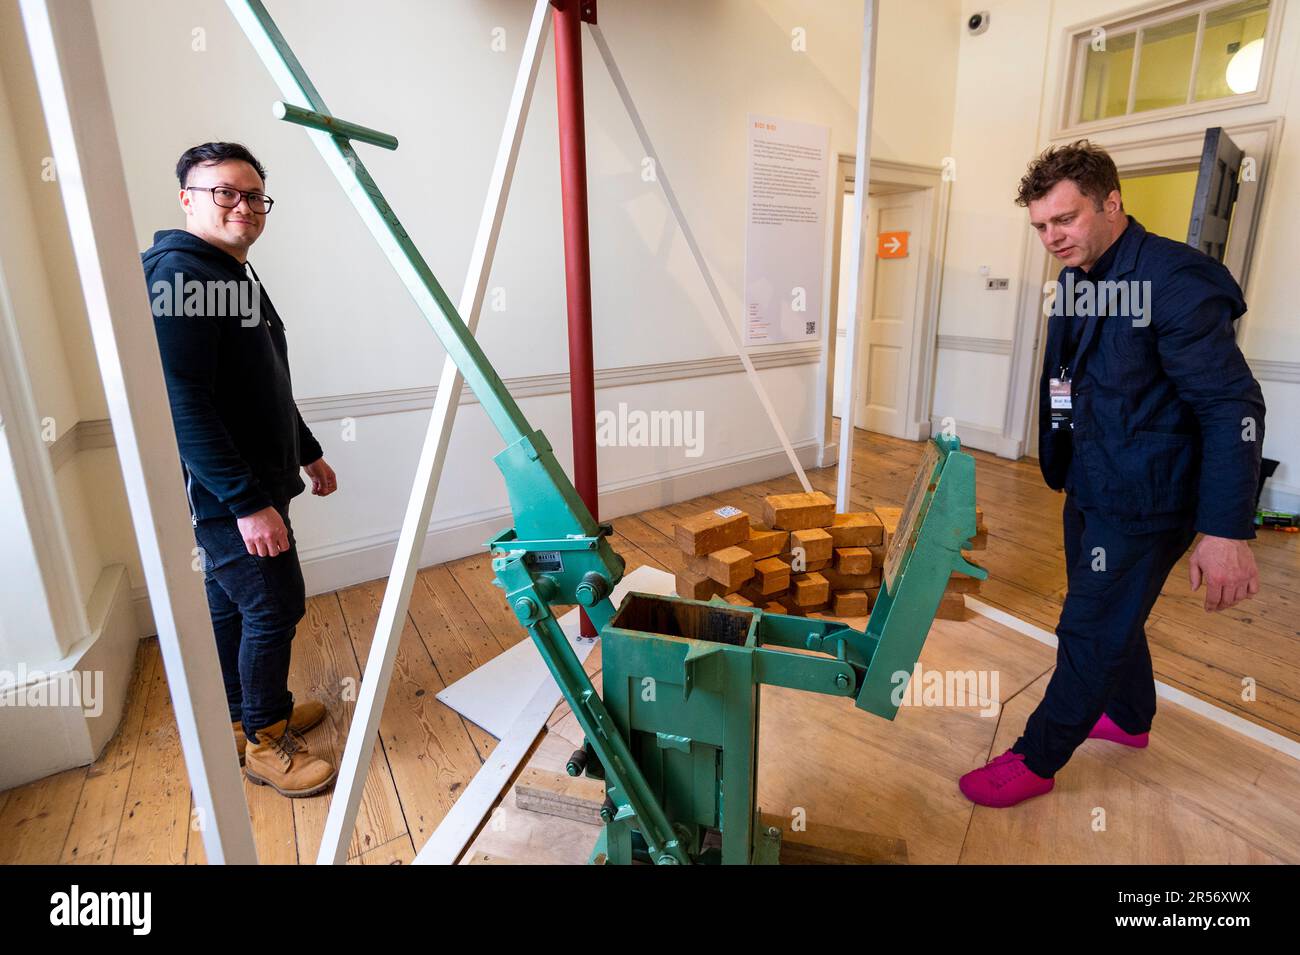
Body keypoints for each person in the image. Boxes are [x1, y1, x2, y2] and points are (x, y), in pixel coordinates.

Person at [959, 141, 1265, 808]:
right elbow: (1071, 373)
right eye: (1040, 226)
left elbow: (1230, 406)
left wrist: (1225, 529)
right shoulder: (1078, 274)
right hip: (1091, 480)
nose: (1051, 237)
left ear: (1112, 203)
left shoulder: (1177, 279)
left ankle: (1036, 757)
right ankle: (1128, 717)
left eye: (1063, 220)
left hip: (1147, 499)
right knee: (1111, 615)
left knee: (1089, 627)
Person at [143, 142, 338, 798]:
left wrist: (305, 448)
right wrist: (246, 501)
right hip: (231, 494)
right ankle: (264, 741)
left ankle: (242, 716)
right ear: (188, 199)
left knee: (234, 605)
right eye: (225, 192)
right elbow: (183, 403)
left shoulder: (228, 271)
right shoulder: (182, 275)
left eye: (255, 195)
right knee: (275, 604)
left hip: (256, 481)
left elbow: (265, 383)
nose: (244, 206)